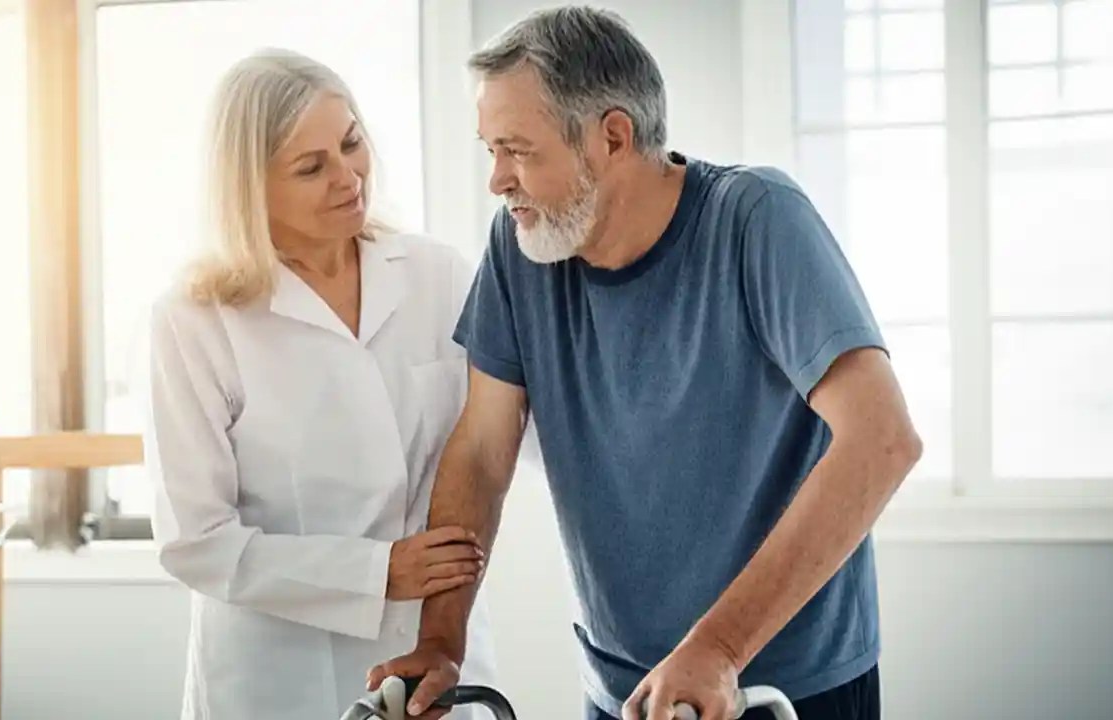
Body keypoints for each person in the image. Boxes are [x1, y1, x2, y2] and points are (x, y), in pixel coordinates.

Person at [372, 6, 923, 720]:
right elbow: (481, 451)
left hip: (782, 682)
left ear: (611, 137)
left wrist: (720, 648)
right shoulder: (520, 251)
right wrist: (441, 638)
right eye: (490, 151)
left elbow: (882, 442)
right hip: (625, 690)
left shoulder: (757, 220)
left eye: (518, 150)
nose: (498, 180)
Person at [143, 48, 496, 720]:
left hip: (436, 656)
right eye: (311, 167)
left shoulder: (437, 274)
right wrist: (376, 573)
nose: (348, 177)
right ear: (249, 189)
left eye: (351, 143)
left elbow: (497, 437)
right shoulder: (193, 321)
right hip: (276, 674)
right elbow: (195, 541)